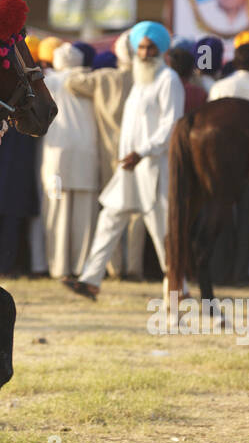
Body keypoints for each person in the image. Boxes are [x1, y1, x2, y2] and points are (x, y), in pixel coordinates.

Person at [70, 22, 183, 300]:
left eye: (150, 48)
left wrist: (142, 152)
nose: (144, 53)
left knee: (162, 234)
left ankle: (180, 289)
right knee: (109, 220)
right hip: (129, 167)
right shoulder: (140, 82)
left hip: (153, 168)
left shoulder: (168, 80)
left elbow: (171, 127)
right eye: (141, 48)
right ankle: (90, 280)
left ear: (161, 50)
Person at [205, 41, 249, 284]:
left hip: (220, 160)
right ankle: (240, 273)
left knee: (220, 214)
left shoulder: (220, 87)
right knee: (247, 218)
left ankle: (219, 271)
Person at [39, 43, 98, 283]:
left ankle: (59, 267)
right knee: (84, 214)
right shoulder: (92, 81)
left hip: (57, 156)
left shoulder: (49, 81)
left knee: (57, 212)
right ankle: (81, 266)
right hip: (88, 153)